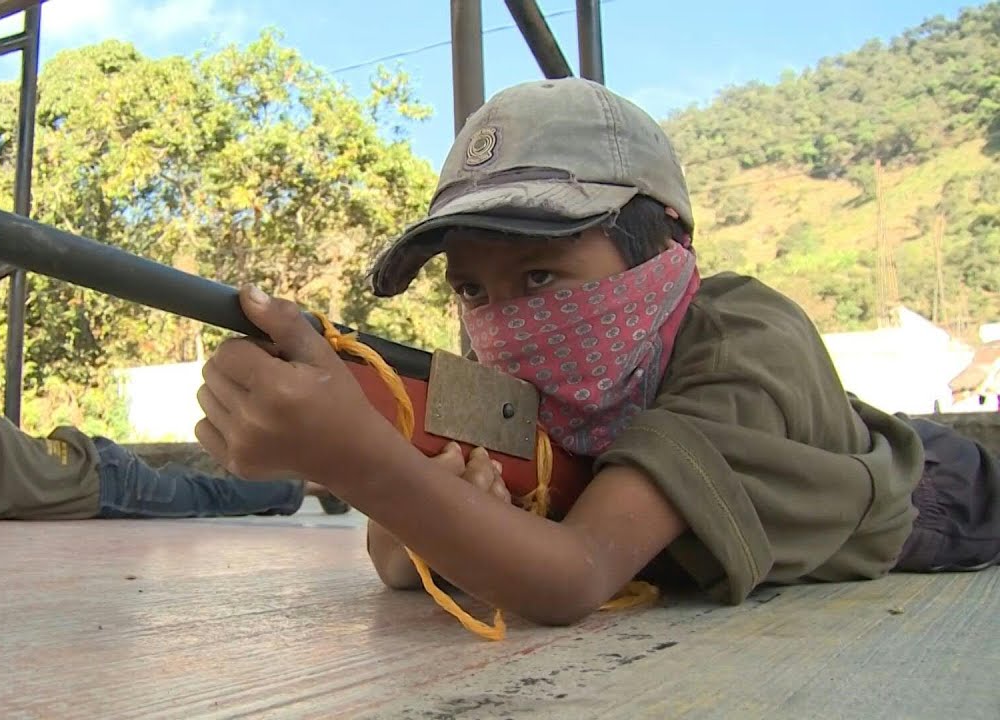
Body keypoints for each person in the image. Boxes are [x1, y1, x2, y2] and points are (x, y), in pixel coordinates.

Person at [192, 77, 1000, 626]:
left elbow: (577, 573)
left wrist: (360, 462)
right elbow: (395, 559)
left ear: (667, 247)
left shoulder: (746, 338)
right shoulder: (502, 374)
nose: (504, 319)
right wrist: (438, 509)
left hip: (931, 497)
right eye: (471, 291)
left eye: (542, 273)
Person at [0, 327, 349, 523]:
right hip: (92, 465)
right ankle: (309, 484)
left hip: (102, 484)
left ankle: (318, 483)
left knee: (206, 494)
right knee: (198, 480)